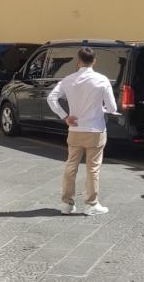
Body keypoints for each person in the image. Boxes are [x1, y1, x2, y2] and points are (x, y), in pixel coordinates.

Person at [47, 47, 117, 216]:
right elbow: (112, 107)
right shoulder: (102, 80)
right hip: (95, 129)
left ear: (78, 62)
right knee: (93, 168)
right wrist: (102, 108)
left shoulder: (68, 80)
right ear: (94, 61)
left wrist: (65, 116)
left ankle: (67, 204)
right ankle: (91, 204)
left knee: (71, 166)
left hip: (75, 128)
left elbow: (51, 98)